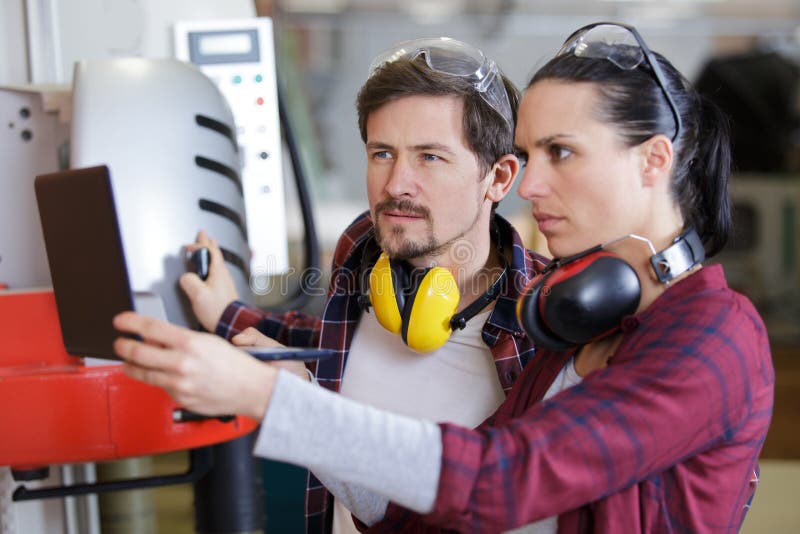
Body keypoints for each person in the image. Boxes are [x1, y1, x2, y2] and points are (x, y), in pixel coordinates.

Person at [114, 23, 774, 533]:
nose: (533, 183)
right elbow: (428, 517)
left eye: (561, 153)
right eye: (530, 152)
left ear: (653, 160)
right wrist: (287, 379)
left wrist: (277, 401)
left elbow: (505, 477)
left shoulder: (716, 334)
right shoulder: (568, 326)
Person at [179, 37, 544, 533]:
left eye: (429, 157)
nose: (396, 184)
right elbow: (326, 344)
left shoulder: (545, 326)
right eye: (382, 153)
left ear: (498, 178)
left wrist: (297, 404)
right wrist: (226, 312)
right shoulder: (363, 253)